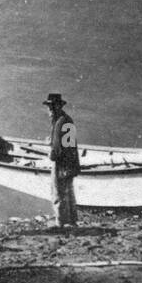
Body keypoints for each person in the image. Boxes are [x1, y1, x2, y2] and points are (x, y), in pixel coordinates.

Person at [44, 92, 80, 230]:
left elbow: (66, 146)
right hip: (67, 162)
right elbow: (68, 144)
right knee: (68, 192)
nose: (49, 110)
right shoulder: (63, 120)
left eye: (50, 107)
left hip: (62, 163)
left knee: (58, 192)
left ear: (56, 107)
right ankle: (71, 221)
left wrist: (54, 154)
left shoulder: (62, 121)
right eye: (49, 107)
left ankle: (60, 222)